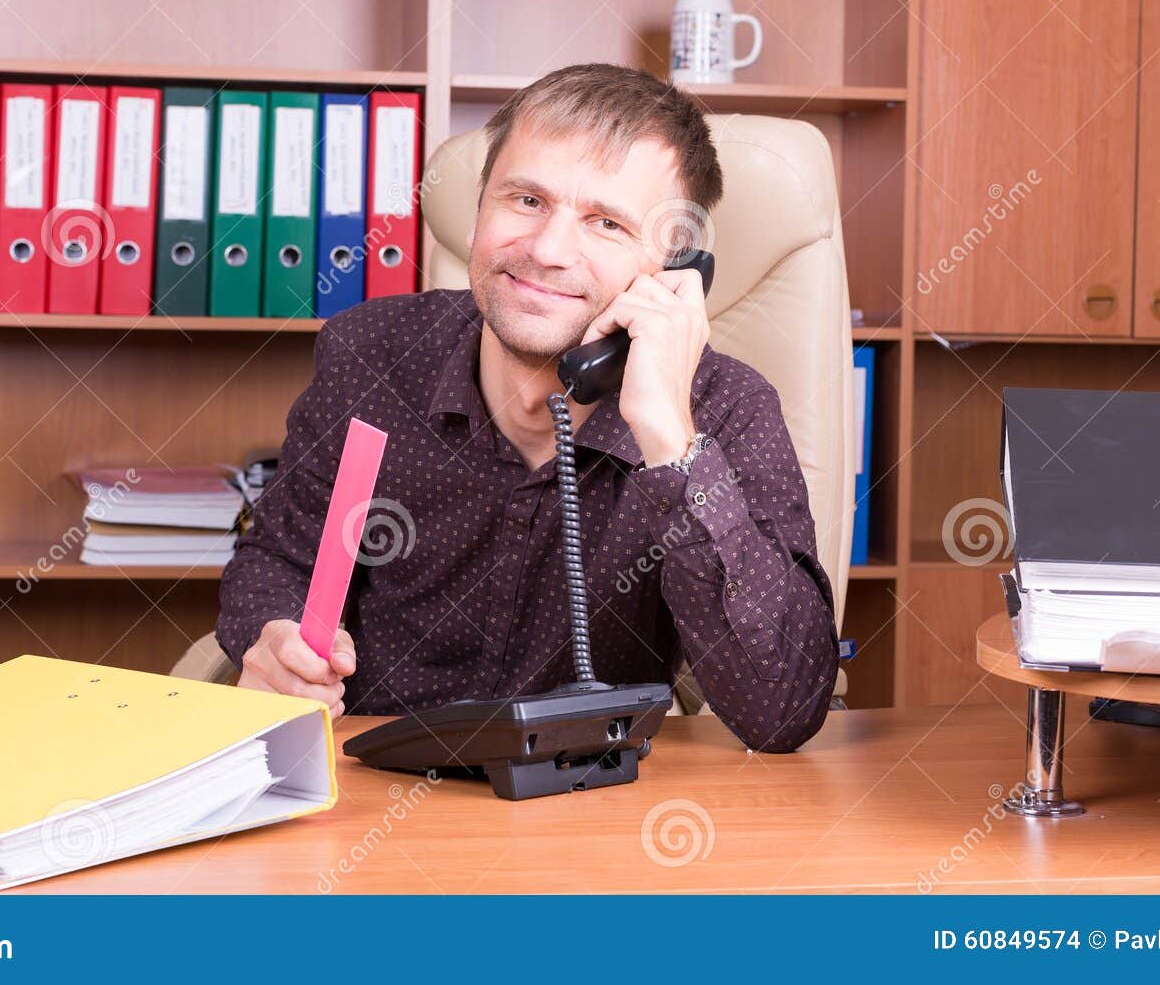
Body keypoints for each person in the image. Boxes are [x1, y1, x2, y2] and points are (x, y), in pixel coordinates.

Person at [216, 62, 838, 752]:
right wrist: (271, 633)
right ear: (480, 206)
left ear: (671, 272)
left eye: (606, 223)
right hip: (371, 777)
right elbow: (277, 558)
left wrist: (668, 438)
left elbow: (784, 707)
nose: (546, 250)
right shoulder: (370, 353)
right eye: (527, 201)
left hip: (591, 807)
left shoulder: (724, 409)